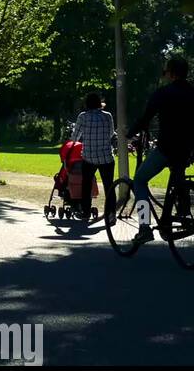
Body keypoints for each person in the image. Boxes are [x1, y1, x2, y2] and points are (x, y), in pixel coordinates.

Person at [128, 56, 194, 245]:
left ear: (171, 73)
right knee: (178, 177)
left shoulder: (163, 93)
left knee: (139, 181)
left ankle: (144, 227)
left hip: (167, 147)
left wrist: (129, 133)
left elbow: (145, 118)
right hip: (187, 148)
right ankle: (181, 210)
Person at [71, 93, 116, 222]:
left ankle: (85, 211)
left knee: (86, 184)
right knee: (109, 185)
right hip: (106, 157)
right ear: (99, 103)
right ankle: (111, 213)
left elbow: (76, 137)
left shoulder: (83, 117)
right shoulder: (107, 116)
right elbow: (111, 133)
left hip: (88, 157)